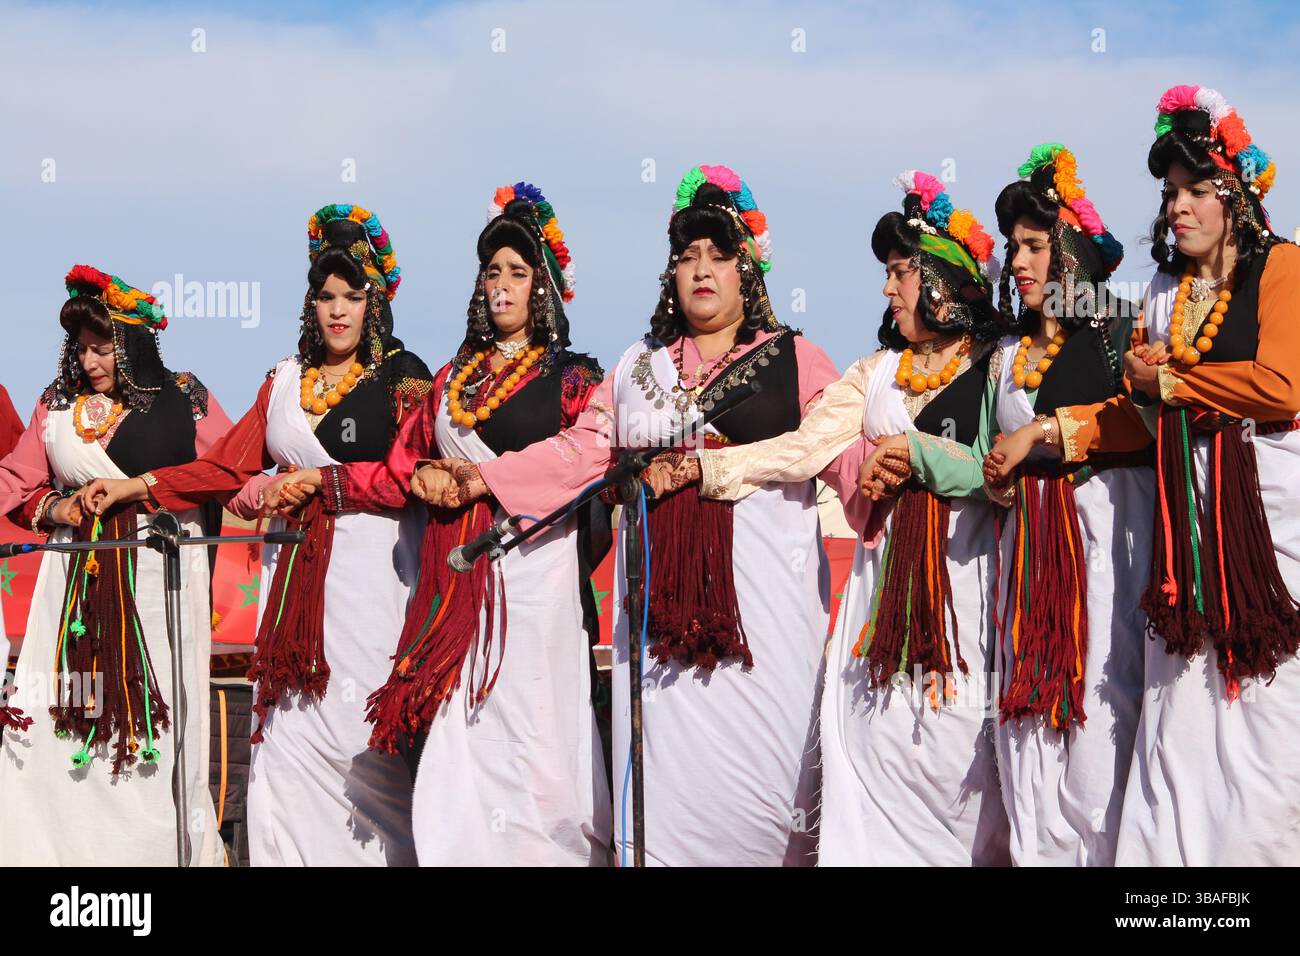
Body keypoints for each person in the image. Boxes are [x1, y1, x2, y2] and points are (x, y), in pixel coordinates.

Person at [424, 165, 865, 865]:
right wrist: (484, 477)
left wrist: (909, 480)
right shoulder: (637, 369)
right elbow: (580, 453)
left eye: (719, 255)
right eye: (686, 255)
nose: (701, 270)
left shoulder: (795, 361)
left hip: (767, 634)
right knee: (663, 808)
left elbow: (850, 460)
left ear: (748, 270)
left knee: (774, 805)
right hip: (658, 640)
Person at [651, 171, 1012, 865]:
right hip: (878, 611)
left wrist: (920, 455)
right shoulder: (874, 373)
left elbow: (999, 471)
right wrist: (708, 468)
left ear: (942, 278)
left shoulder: (1001, 369)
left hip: (967, 603)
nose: (887, 289)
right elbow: (804, 447)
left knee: (959, 771)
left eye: (902, 272)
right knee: (872, 763)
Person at [1000, 87, 1300, 865]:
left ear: (1236, 196)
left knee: (1267, 732)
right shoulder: (1164, 296)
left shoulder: (1285, 266)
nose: (1178, 208)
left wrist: (1173, 384)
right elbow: (1135, 420)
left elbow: (1283, 383)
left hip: (1267, 532)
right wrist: (1055, 428)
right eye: (1170, 193)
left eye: (1197, 190)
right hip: (1186, 537)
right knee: (1179, 732)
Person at [272, 183, 614, 865]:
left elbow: (593, 459)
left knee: (537, 748)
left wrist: (486, 480)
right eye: (492, 272)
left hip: (535, 595)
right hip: (452, 593)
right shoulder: (451, 379)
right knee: (458, 745)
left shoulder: (575, 380)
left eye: (518, 273)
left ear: (543, 286)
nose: (502, 287)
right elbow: (402, 468)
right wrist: (419, 476)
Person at [83, 206, 434, 865]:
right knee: (286, 759)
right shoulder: (282, 379)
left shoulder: (405, 375)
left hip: (376, 586)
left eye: (352, 296)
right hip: (293, 589)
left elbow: (411, 474)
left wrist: (316, 484)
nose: (337, 310)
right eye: (325, 296)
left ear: (375, 302)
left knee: (365, 751)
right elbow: (227, 467)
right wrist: (139, 486)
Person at [0, 266, 230, 865]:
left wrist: (143, 488)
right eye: (81, 349)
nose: (90, 361)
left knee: (153, 716)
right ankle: (57, 853)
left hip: (158, 582)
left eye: (102, 347)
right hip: (72, 586)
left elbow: (232, 471)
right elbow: (12, 485)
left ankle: (153, 852)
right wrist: (59, 504)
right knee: (69, 712)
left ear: (133, 341)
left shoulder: (186, 398)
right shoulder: (55, 405)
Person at [975, 145, 1149, 866]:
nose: (1018, 261)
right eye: (1014, 246)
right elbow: (989, 452)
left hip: (1105, 545)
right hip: (1027, 558)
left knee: (1102, 715)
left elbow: (1143, 418)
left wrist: (1044, 433)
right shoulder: (1004, 356)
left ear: (1071, 251)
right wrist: (998, 476)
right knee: (1027, 727)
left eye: (1036, 246)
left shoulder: (1121, 329)